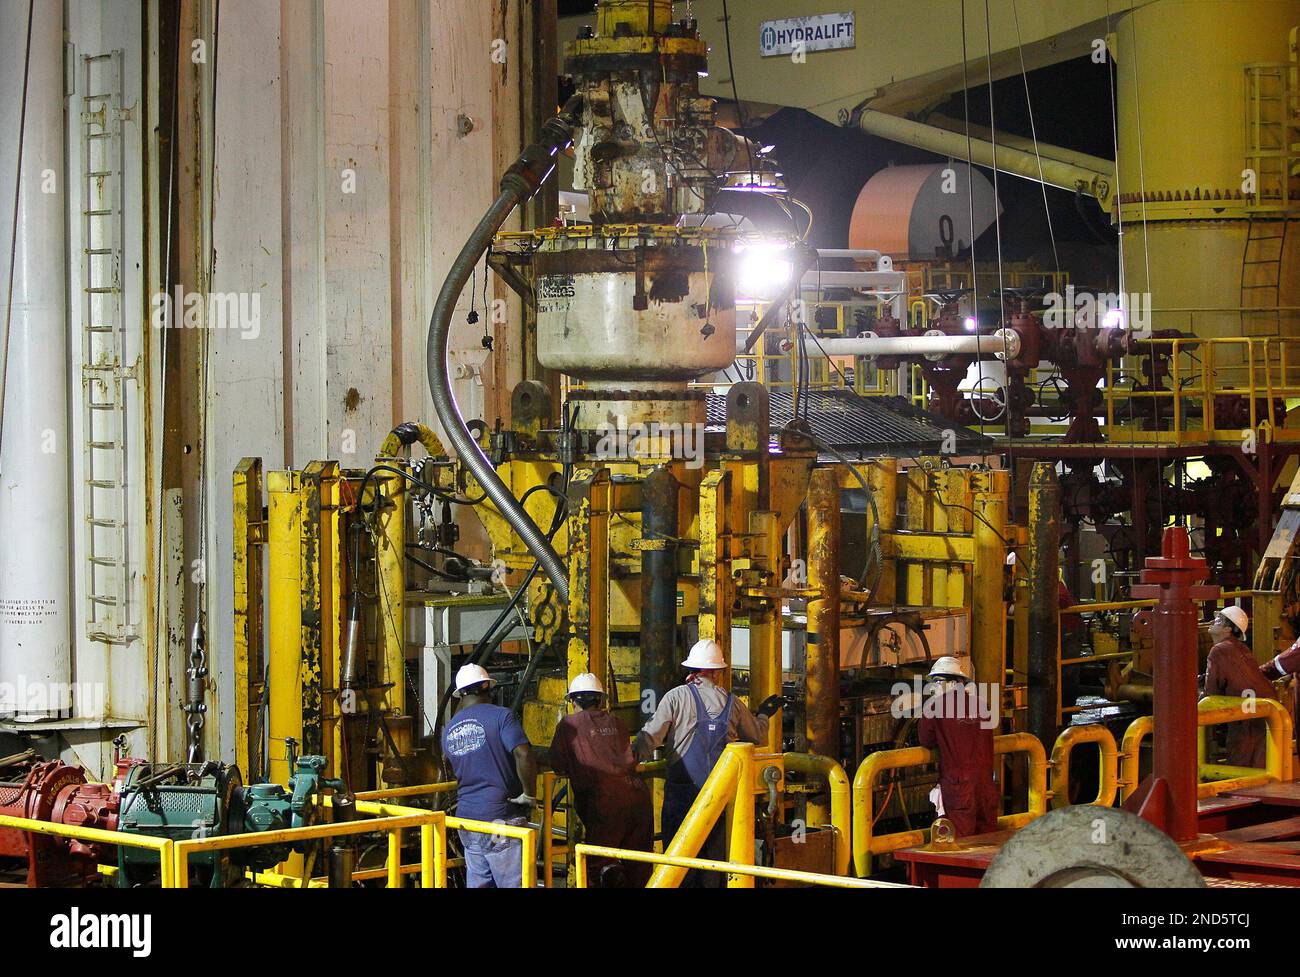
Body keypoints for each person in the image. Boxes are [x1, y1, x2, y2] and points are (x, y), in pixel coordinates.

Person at [634, 639, 783, 888]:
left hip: (682, 796)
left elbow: (650, 738)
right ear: (718, 672)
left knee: (678, 864)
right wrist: (764, 713)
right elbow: (757, 735)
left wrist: (629, 760)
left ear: (692, 670)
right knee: (714, 865)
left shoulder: (676, 697)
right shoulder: (732, 702)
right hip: (719, 799)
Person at [549, 672, 653, 887]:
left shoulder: (569, 725)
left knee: (598, 867)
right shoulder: (616, 721)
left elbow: (557, 763)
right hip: (639, 799)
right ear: (600, 699)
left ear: (573, 700)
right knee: (640, 867)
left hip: (604, 803)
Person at [441, 662, 538, 888]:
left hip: (467, 821)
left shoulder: (449, 729)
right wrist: (529, 795)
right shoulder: (502, 716)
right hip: (499, 820)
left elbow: (448, 765)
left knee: (479, 883)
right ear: (487, 686)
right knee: (515, 883)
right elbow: (523, 754)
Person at [917, 656, 999, 838]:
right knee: (989, 842)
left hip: (959, 787)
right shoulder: (982, 705)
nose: (934, 687)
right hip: (986, 785)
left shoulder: (935, 706)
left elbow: (925, 740)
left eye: (937, 682)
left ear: (951, 683)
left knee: (959, 845)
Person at [1203, 607, 1277, 769]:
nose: (1212, 622)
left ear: (1228, 628)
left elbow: (1211, 693)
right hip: (1266, 709)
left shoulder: (1218, 650)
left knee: (1241, 762)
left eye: (1218, 620)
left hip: (1245, 711)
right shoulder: (1242, 648)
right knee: (1259, 763)